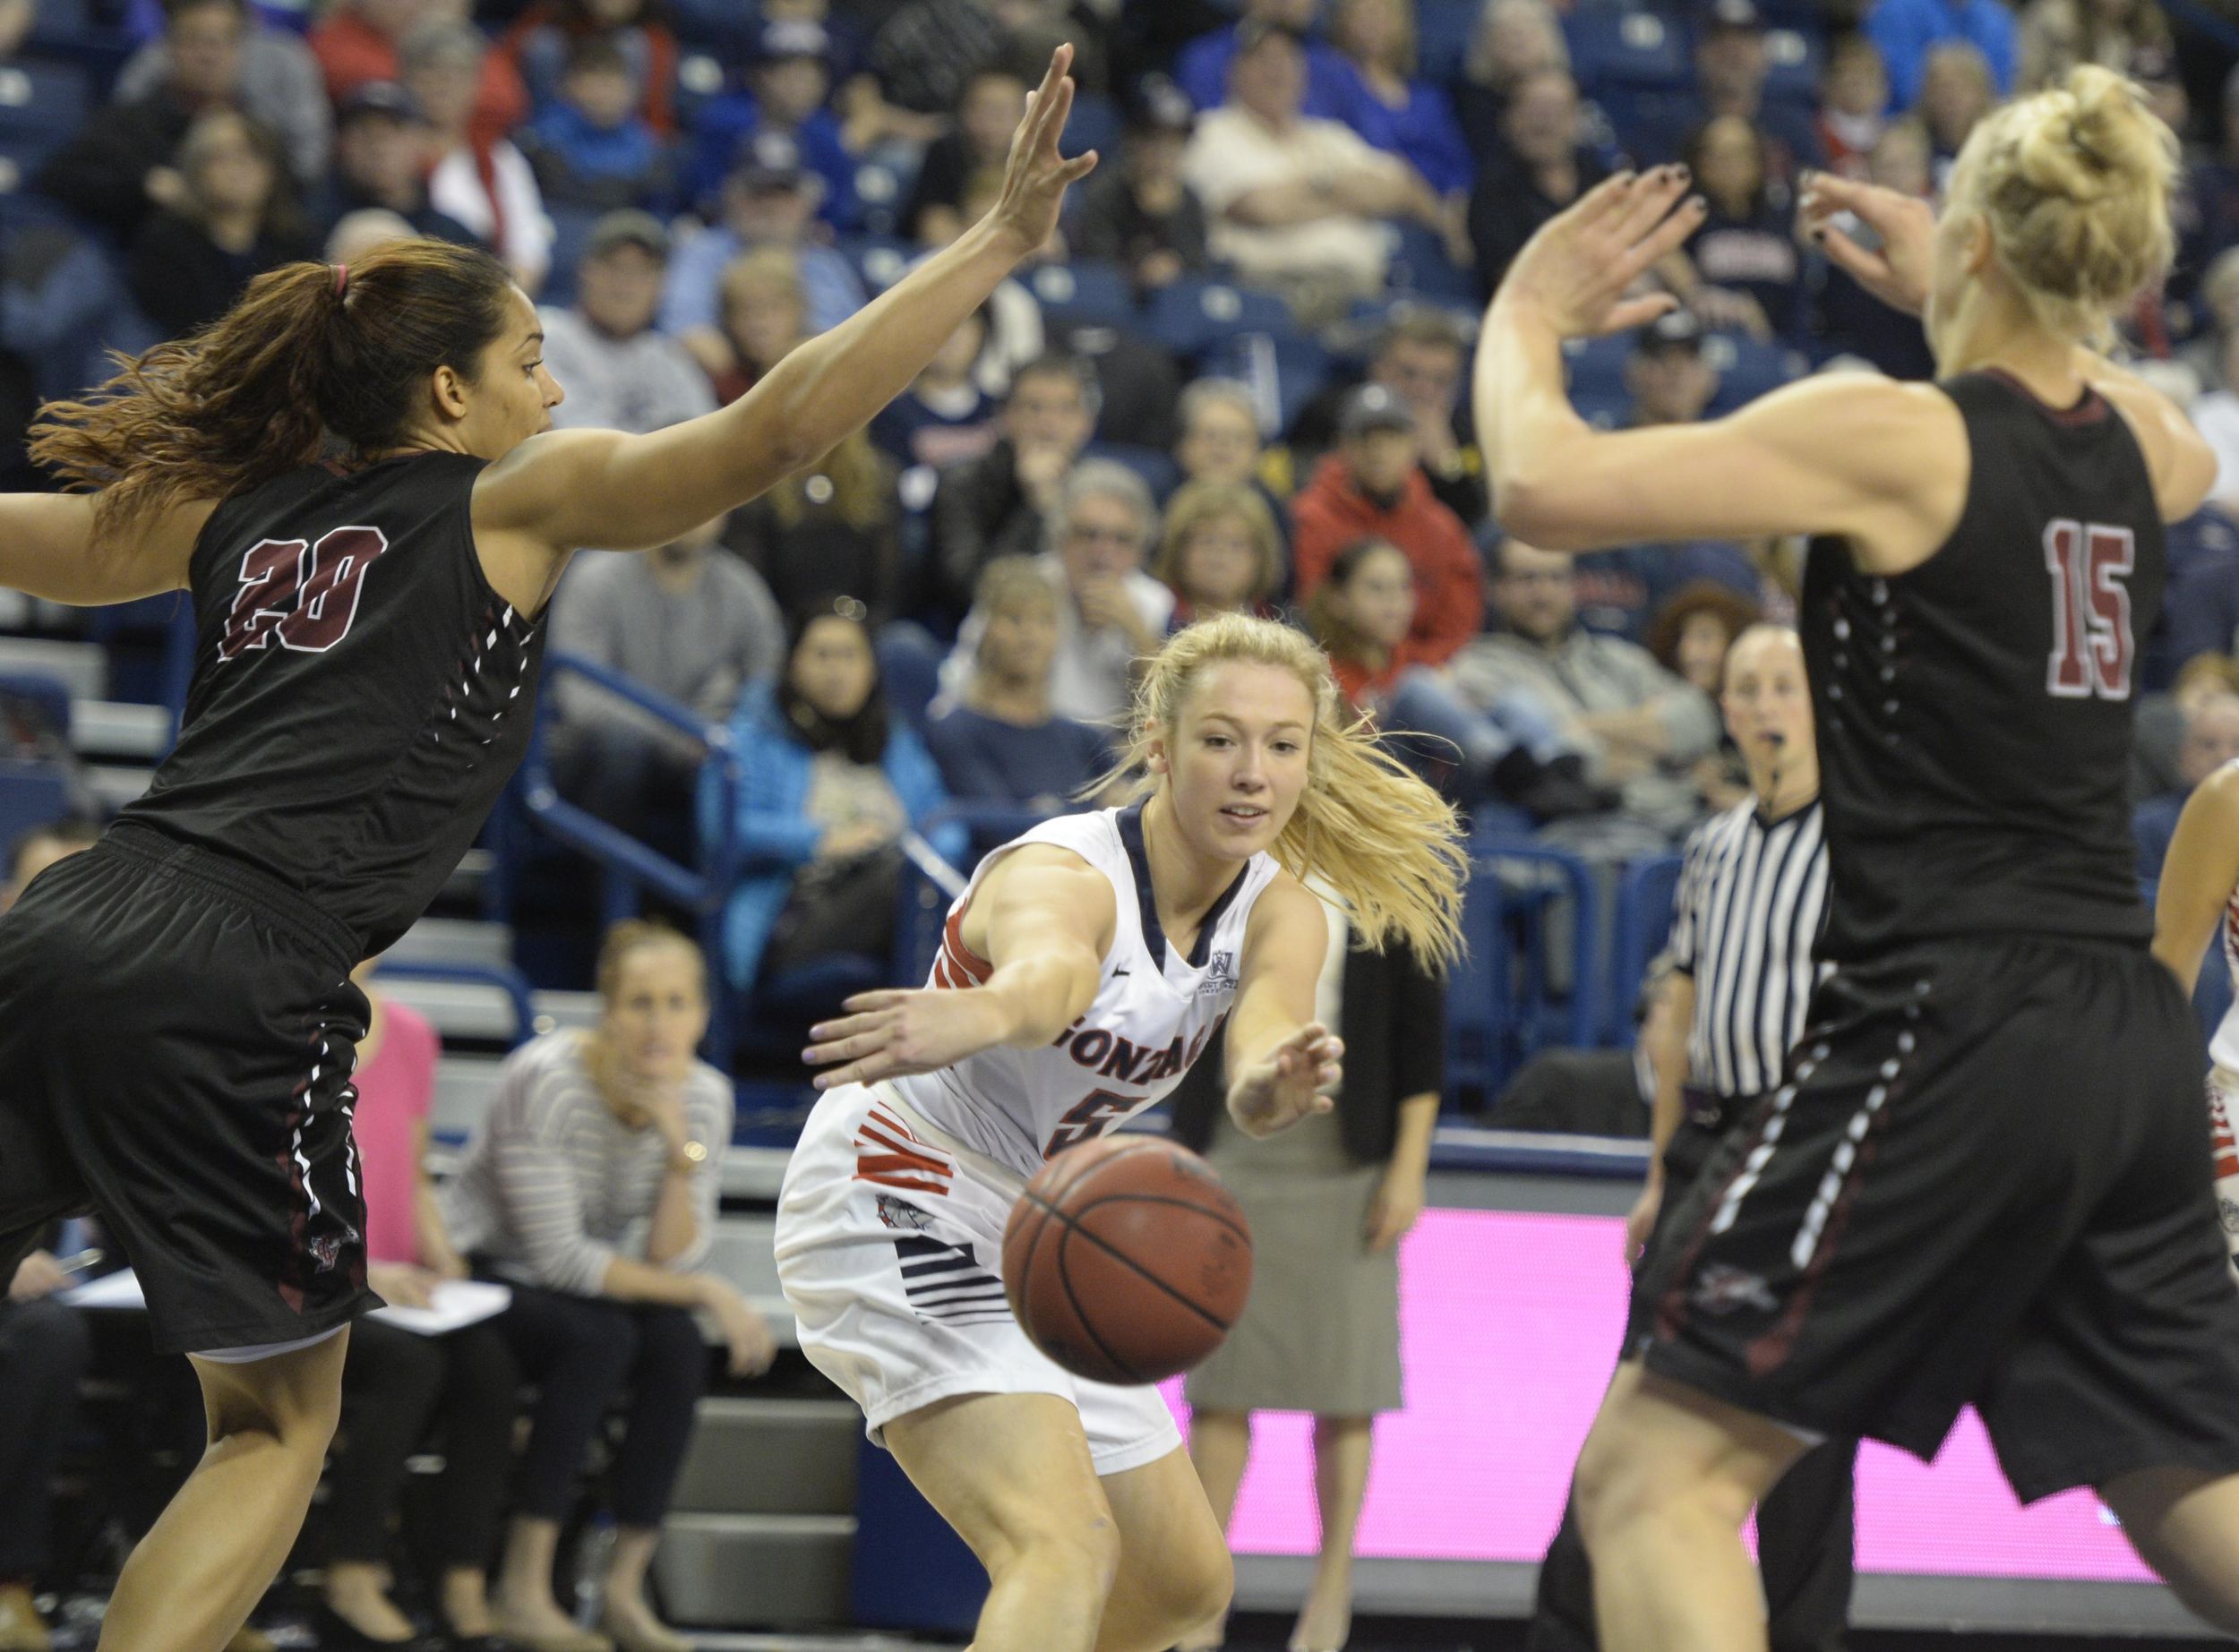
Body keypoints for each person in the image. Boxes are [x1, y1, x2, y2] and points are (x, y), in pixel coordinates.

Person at [0, 46, 1092, 1652]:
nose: (558, 390)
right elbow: (780, 425)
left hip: (66, 922)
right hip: (244, 965)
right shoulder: (513, 498)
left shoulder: (235, 509)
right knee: (271, 1429)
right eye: (529, 357)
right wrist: (993, 245)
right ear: (450, 397)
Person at [1472, 69, 2239, 1647]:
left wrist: (1528, 309)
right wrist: (1979, 292)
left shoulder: (1890, 436)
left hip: (1952, 1017)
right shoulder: (2154, 446)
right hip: (2127, 1040)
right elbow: (2111, 410)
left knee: (1654, 1487)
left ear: (1971, 237)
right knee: (2181, 1481)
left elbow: (1540, 482)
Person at [776, 612, 1469, 1652]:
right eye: (1220, 740)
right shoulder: (1068, 872)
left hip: (1039, 1217)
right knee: (1060, 1546)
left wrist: (1268, 1090)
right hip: (900, 1183)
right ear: (1159, 746)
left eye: (1282, 745)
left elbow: (1263, 1035)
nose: (1252, 773)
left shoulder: (1284, 908)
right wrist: (977, 1012)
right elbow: (1048, 977)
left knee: (1184, 1586)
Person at [1525, 626, 1858, 1652]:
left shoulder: (1869, 842)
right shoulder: (1713, 844)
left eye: (1784, 687)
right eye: (1747, 688)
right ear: (1725, 709)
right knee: (1633, 1394)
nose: (1764, 706)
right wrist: (1659, 1170)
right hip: (1712, 1139)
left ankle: (1800, 1636)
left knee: (1804, 1433)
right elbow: (1677, 1007)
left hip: (1812, 1153)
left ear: (1821, 704)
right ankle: (1569, 1627)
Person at [443, 922, 768, 1652]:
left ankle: (622, 1588)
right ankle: (524, 1587)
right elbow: (556, 1259)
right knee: (605, 1335)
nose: (659, 1025)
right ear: (607, 1010)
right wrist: (714, 1293)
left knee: (677, 1346)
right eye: (639, 1003)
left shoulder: (706, 1098)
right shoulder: (546, 1077)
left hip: (590, 1283)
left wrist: (677, 1151)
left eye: (677, 1003)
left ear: (704, 1014)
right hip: (484, 1273)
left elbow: (670, 1255)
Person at [1167, 877, 1444, 1652]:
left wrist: (1409, 1166)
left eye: (1293, 745)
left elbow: (1422, 1038)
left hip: (1348, 1147)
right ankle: (1201, 1595)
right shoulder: (1222, 859)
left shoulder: (1390, 876)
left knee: (1345, 1383)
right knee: (1222, 1381)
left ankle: (1331, 1591)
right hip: (1235, 1134)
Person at [320, 956, 520, 1651]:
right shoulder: (270, 1033)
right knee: (408, 1366)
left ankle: (462, 1573)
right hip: (310, 1281)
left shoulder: (409, 1032)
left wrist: (441, 1251)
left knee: (491, 1367)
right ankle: (351, 1570)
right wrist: (361, 1267)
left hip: (401, 1281)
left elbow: (412, 1167)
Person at [712, 602, 965, 1008]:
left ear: (871, 669)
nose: (837, 671)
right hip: (793, 916)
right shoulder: (752, 738)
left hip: (898, 894)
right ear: (792, 663)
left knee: (940, 877)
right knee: (907, 877)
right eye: (822, 655)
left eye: (850, 656)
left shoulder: (893, 741)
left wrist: (929, 854)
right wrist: (823, 839)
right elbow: (724, 830)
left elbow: (945, 822)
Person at [1181, 20, 1450, 317]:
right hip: (1271, 294)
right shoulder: (1210, 132)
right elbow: (1260, 209)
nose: (1277, 72)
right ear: (1234, 72)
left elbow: (1402, 187)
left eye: (1287, 60)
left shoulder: (1328, 135)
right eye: (1263, 61)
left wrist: (1313, 191)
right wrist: (1349, 195)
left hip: (1365, 291)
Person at [548, 516, 785, 843]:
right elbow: (581, 700)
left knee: (746, 759)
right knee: (620, 748)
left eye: (712, 503)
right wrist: (680, 738)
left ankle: (716, 893)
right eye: (688, 498)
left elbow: (768, 683)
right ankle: (613, 888)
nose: (698, 514)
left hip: (701, 751)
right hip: (597, 754)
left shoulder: (742, 588)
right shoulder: (597, 577)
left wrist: (723, 732)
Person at [943, 461, 1174, 724]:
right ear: (1060, 536)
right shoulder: (1020, 586)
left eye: (1122, 539)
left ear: (1140, 551)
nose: (1103, 553)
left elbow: (1169, 718)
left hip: (1112, 754)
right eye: (1089, 535)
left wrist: (1137, 634)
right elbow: (956, 691)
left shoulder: (1154, 603)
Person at [1292, 384, 1485, 666]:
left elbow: (1459, 625)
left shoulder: (1441, 527)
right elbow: (1316, 612)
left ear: (1413, 445)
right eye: (1365, 439)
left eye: (1391, 438)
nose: (1378, 451)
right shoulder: (1310, 517)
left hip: (1428, 673)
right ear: (1342, 446)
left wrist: (1409, 670)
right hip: (1339, 670)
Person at [925, 556, 1113, 811]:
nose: (1030, 636)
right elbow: (998, 826)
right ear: (984, 630)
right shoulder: (955, 731)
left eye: (1045, 621)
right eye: (1014, 619)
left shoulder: (1084, 739)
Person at [129, 109, 321, 340]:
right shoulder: (166, 241)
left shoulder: (296, 242)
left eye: (253, 155)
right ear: (196, 170)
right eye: (222, 157)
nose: (239, 169)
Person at [930, 352, 1098, 614]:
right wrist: (1035, 505)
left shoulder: (1101, 488)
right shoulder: (962, 483)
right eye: (1034, 408)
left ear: (1086, 423)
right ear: (1005, 417)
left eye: (1065, 409)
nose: (1049, 424)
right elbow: (972, 590)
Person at [403, 20, 554, 294]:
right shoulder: (389, 153)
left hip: (484, 300)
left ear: (476, 85)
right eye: (430, 71)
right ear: (406, 78)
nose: (443, 85)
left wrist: (502, 302)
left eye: (457, 74)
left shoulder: (499, 158)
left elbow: (528, 249)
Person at [539, 211, 714, 436]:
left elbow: (708, 440)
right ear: (585, 271)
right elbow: (572, 444)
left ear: (661, 284)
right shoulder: (544, 339)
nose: (626, 283)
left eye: (643, 271)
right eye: (615, 266)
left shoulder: (670, 358)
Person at [1071, 76, 1213, 295]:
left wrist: (1176, 265)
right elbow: (1095, 261)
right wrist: (1138, 269)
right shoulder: (1105, 191)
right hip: (1112, 308)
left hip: (1175, 313)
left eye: (1174, 144)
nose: (1162, 155)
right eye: (1154, 141)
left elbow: (1198, 267)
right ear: (1133, 141)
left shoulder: (1189, 200)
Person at [309, 81, 482, 247]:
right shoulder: (309, 230)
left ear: (421, 141)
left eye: (393, 131)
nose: (377, 146)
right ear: (342, 143)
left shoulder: (452, 238)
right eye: (364, 131)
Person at [1151, 478, 1285, 625]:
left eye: (1236, 544)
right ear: (1178, 550)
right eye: (1207, 541)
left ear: (1261, 557)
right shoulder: (1151, 615)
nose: (1220, 554)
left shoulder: (1284, 630)